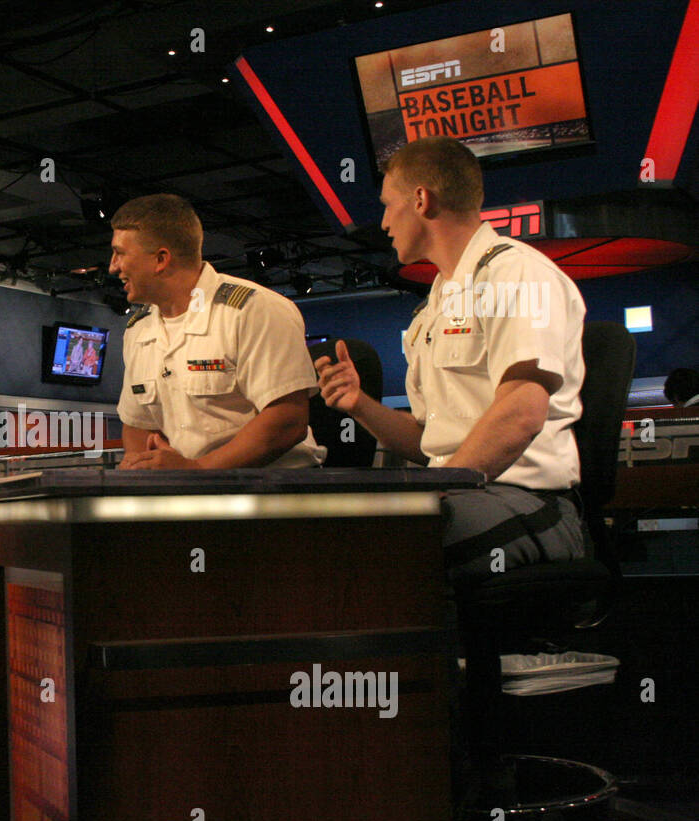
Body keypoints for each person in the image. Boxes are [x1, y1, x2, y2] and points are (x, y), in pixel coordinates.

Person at [315, 136, 587, 583]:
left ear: (421, 200)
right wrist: (359, 404)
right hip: (463, 496)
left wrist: (435, 494)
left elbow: (522, 411)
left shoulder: (516, 274)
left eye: (387, 204)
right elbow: (430, 443)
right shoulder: (436, 304)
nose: (383, 222)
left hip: (533, 505)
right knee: (325, 538)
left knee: (374, 554)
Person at [110, 194, 322, 469]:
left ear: (161, 259)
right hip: (188, 497)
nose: (113, 266)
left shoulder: (254, 310)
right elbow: (138, 424)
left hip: (272, 493)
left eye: (120, 253)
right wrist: (142, 472)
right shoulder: (138, 329)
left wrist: (197, 471)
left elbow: (287, 420)